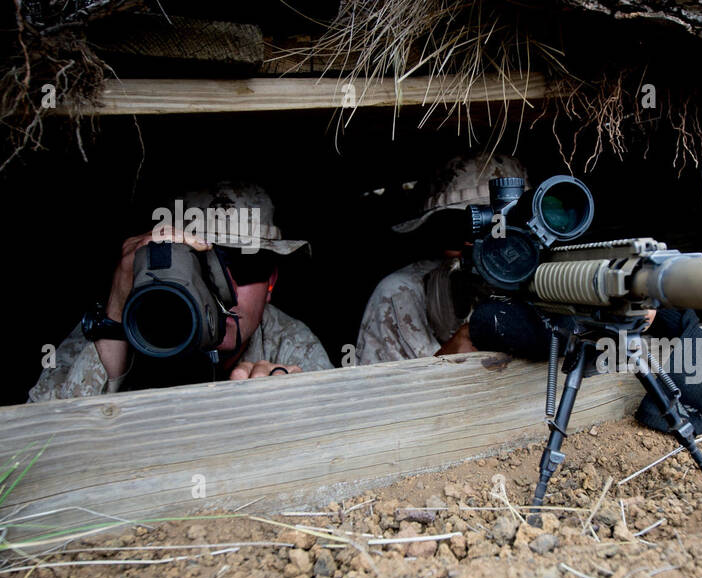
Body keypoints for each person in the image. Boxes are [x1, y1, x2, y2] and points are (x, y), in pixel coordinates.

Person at [28, 181, 332, 401]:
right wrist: (119, 311)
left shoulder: (289, 341)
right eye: (202, 268)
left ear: (271, 282)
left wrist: (294, 408)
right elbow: (36, 450)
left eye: (245, 267)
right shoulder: (110, 324)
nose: (224, 291)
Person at [355, 152, 528, 364]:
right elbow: (377, 392)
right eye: (459, 230)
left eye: (507, 230)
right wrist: (444, 362)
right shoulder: (400, 293)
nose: (482, 247)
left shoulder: (554, 281)